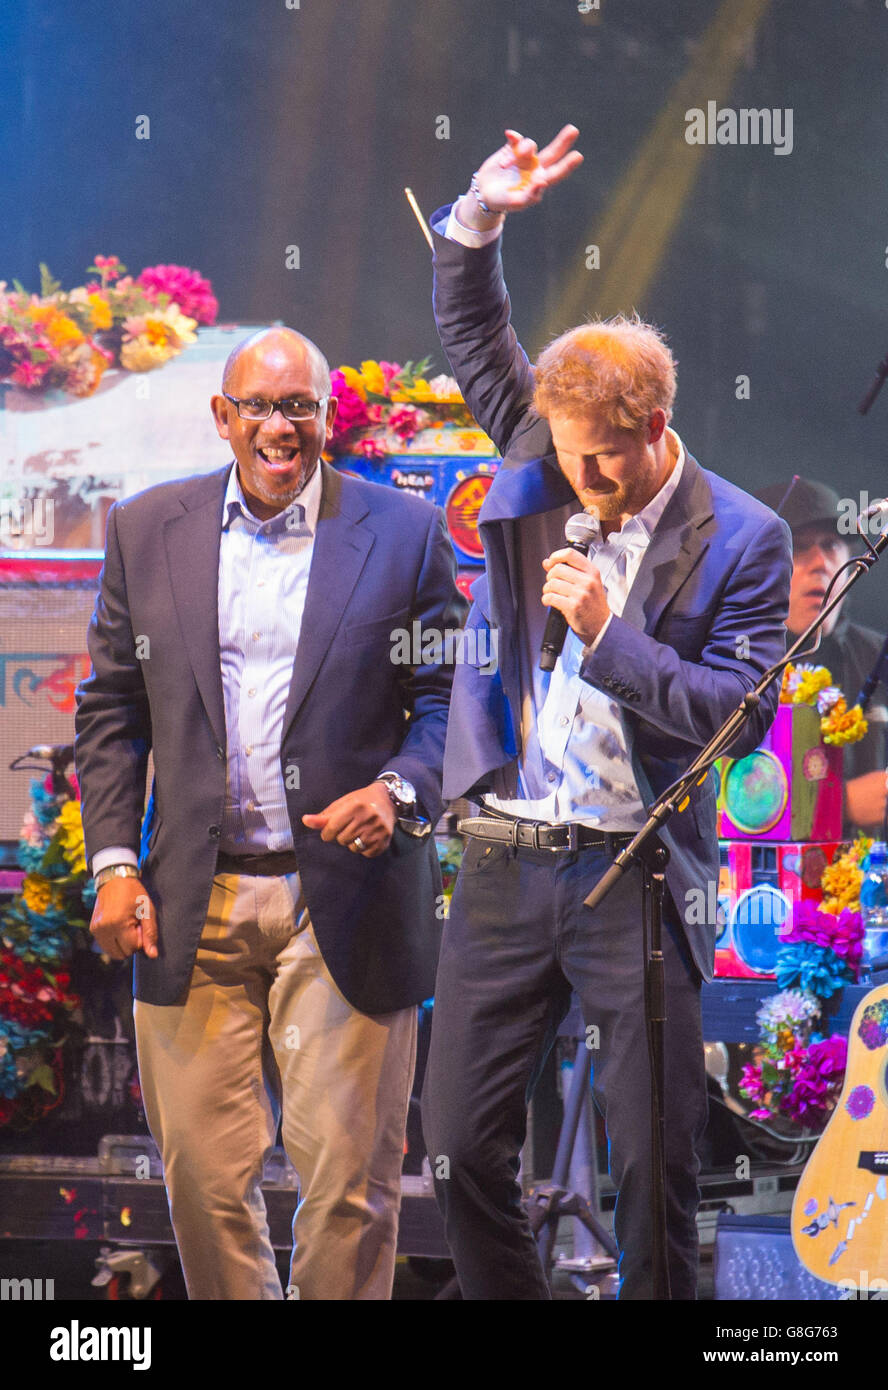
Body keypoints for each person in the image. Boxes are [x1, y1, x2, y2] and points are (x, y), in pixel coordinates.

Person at [421, 126, 793, 1299]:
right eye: (567, 454)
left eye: (598, 461)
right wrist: (479, 215)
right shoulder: (543, 439)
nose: (578, 477)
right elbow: (476, 333)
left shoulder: (744, 536)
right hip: (507, 857)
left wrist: (608, 640)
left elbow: (734, 721)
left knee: (652, 1168)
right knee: (458, 1148)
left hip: (632, 874)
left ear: (652, 430)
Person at [74, 326, 465, 1300]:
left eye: (301, 406)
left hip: (347, 891)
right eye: (260, 405)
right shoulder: (144, 529)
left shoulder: (405, 534)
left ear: (329, 419)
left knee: (349, 1189)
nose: (280, 426)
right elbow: (112, 708)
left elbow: (450, 701)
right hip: (188, 900)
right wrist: (115, 862)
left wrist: (399, 791)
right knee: (202, 1182)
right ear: (223, 416)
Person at [755, 477, 888, 836]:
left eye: (831, 545)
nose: (820, 564)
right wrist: (841, 804)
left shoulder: (879, 657)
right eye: (798, 548)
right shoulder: (735, 659)